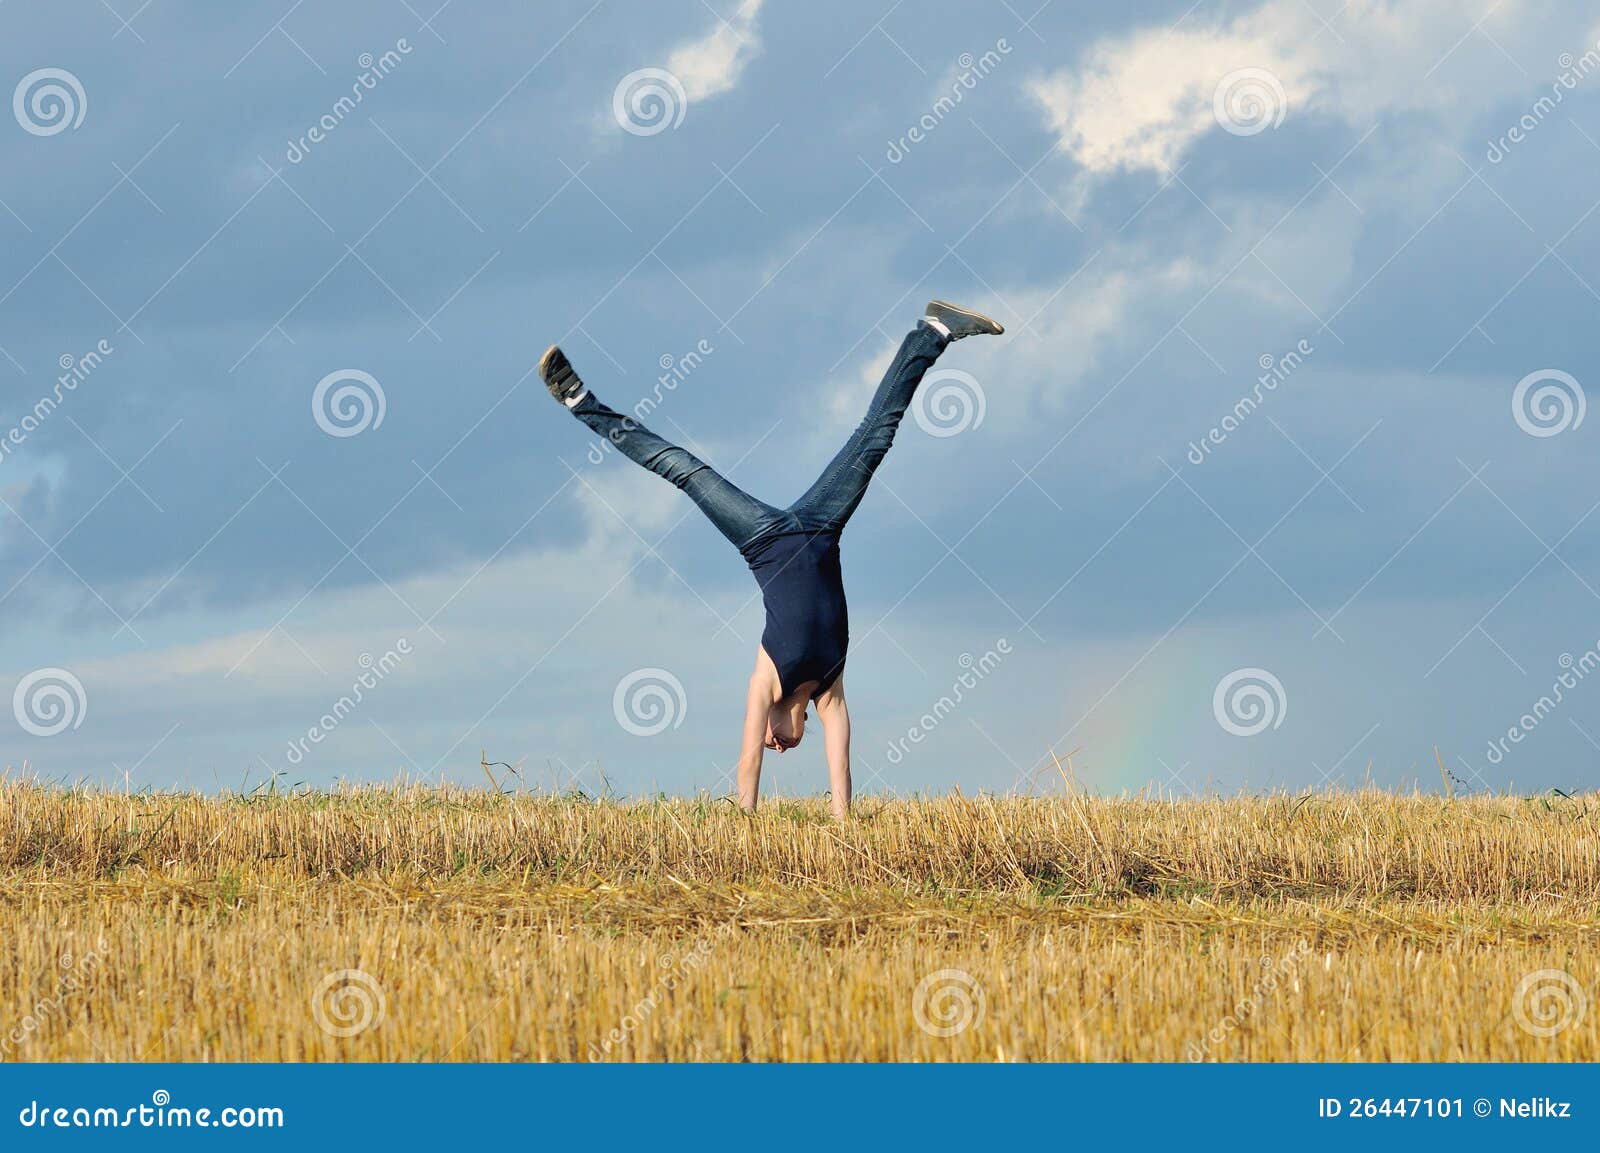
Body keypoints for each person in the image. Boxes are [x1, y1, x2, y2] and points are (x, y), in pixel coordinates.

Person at [540, 301, 1003, 820]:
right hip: (823, 526)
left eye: (768, 744)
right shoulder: (830, 692)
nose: (773, 746)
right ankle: (934, 331)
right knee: (874, 438)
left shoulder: (765, 680)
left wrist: (746, 820)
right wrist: (843, 824)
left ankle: (579, 401)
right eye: (781, 746)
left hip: (761, 539)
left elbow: (745, 765)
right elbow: (841, 768)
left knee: (683, 468)